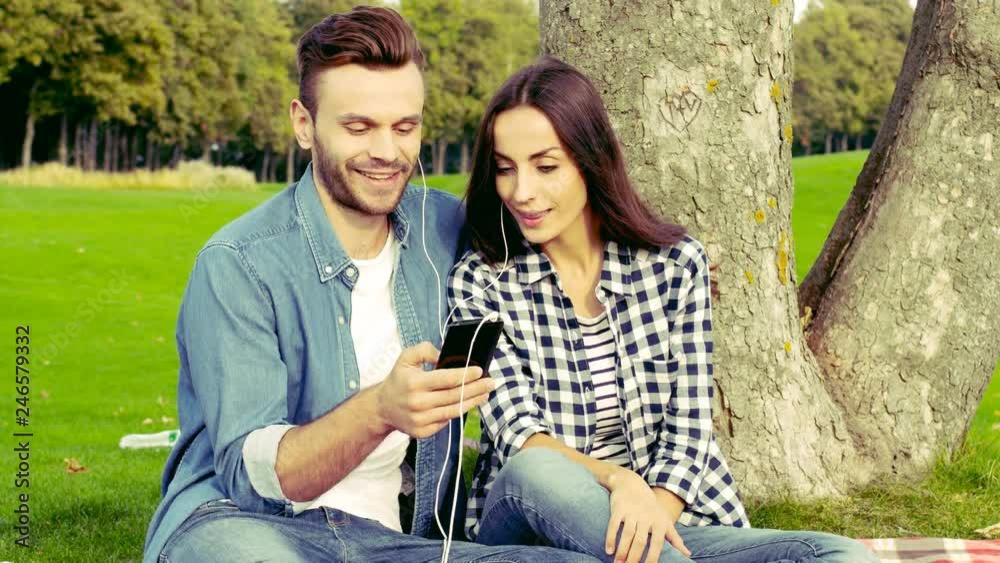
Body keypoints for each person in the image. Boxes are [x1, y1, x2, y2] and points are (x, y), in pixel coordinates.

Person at [143, 10, 598, 563]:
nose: (388, 151)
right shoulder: (237, 263)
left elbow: (549, 225)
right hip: (242, 527)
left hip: (392, 541)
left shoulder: (443, 227)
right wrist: (380, 409)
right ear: (304, 124)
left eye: (405, 127)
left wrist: (658, 254)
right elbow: (251, 473)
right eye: (359, 128)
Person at [446, 56, 881, 563]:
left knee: (837, 555)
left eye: (545, 167)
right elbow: (518, 436)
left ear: (590, 160)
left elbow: (689, 429)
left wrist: (650, 509)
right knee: (535, 470)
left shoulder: (675, 265)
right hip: (533, 530)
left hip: (664, 522)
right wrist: (619, 481)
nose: (522, 191)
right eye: (505, 169)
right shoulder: (481, 281)